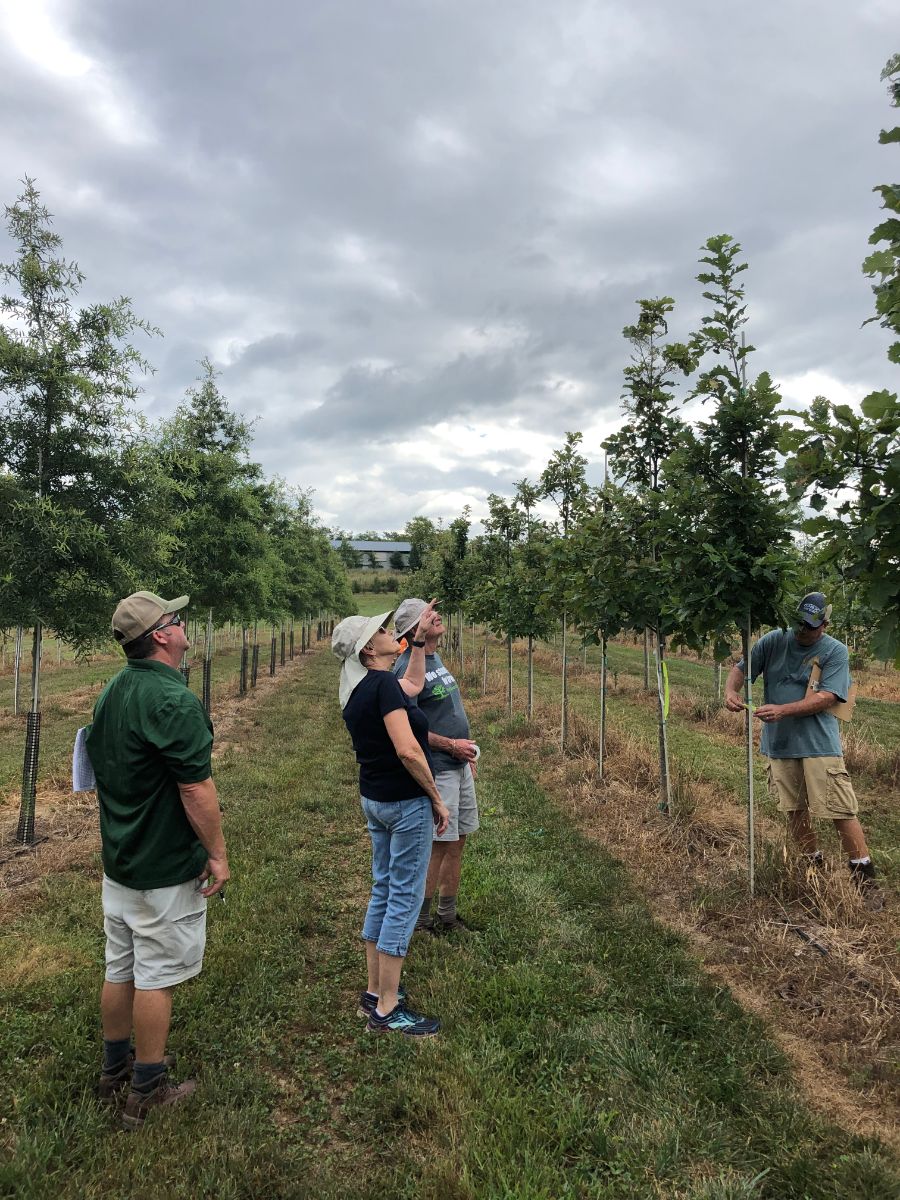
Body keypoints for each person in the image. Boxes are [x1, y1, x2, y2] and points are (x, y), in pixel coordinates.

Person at [85, 591, 230, 1129]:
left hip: (121, 857)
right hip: (163, 862)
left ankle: (113, 1067)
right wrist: (217, 854)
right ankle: (147, 1088)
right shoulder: (172, 701)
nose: (184, 622)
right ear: (162, 636)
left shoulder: (113, 691)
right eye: (176, 618)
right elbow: (195, 789)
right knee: (156, 974)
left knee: (119, 963)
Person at [332, 605, 450, 1037]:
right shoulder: (382, 685)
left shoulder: (361, 689)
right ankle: (387, 1009)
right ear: (369, 651)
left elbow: (414, 684)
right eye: (380, 631)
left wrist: (416, 641)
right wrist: (435, 797)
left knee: (382, 887)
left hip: (375, 801)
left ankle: (373, 990)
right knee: (404, 895)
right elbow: (408, 750)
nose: (387, 632)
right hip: (404, 802)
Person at [724, 592, 876, 890]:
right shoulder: (773, 640)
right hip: (780, 744)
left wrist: (783, 710)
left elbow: (827, 697)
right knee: (793, 808)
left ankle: (864, 877)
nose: (804, 631)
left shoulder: (835, 651)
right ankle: (812, 863)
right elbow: (742, 668)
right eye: (799, 624)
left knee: (840, 808)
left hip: (819, 744)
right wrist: (730, 691)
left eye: (811, 626)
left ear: (825, 624)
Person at [392, 598, 479, 935]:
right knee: (439, 846)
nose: (437, 616)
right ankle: (422, 920)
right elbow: (406, 728)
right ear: (416, 629)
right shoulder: (407, 668)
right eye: (428, 615)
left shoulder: (434, 657)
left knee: (458, 841)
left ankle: (447, 914)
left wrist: (464, 753)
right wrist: (450, 746)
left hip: (458, 765)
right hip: (439, 768)